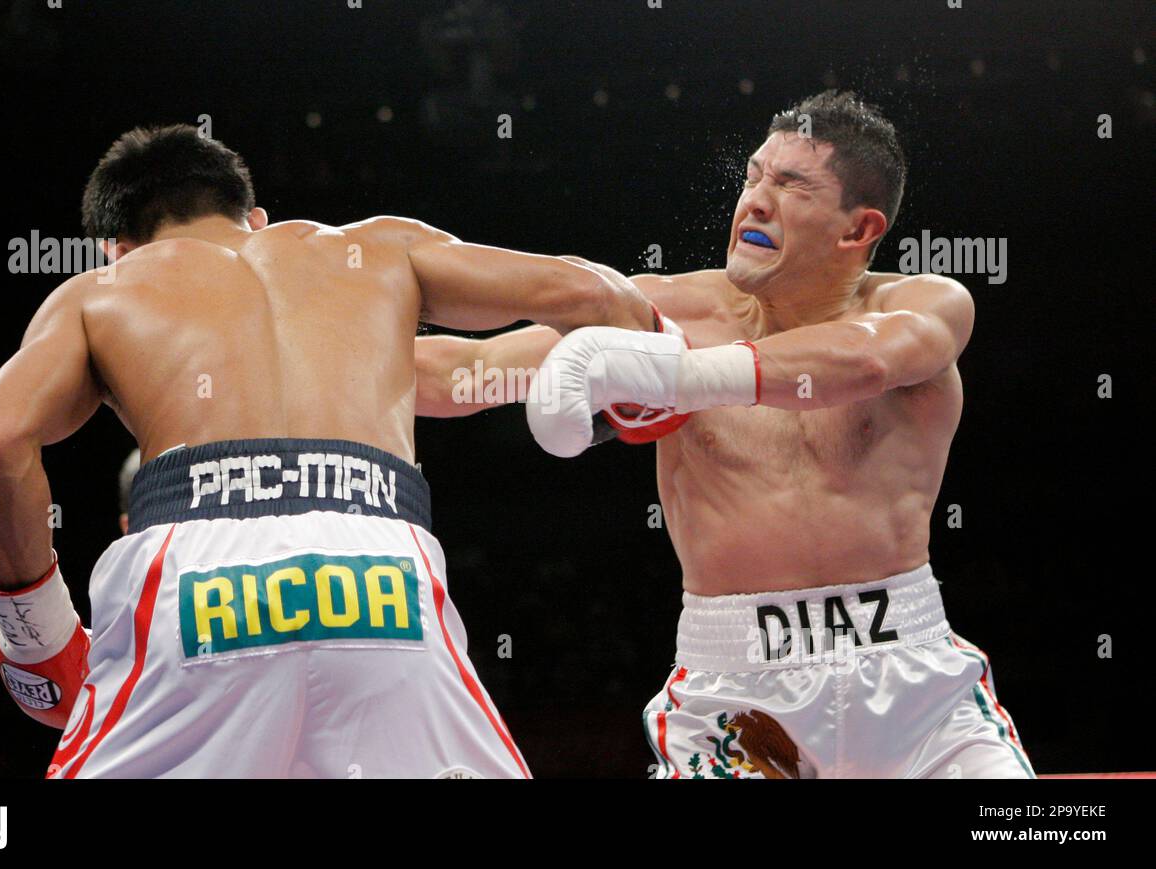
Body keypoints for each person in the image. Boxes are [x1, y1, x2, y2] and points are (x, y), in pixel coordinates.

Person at [0, 123, 659, 778]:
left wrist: (37, 635)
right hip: (383, 575)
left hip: (198, 580)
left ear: (117, 248)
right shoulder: (382, 248)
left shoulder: (102, 291)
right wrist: (637, 394)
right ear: (255, 219)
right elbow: (591, 293)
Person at [415, 91, 1033, 778]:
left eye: (791, 186)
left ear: (858, 230)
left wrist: (677, 377)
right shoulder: (663, 315)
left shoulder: (924, 304)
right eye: (753, 177)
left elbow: (864, 361)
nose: (756, 202)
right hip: (736, 699)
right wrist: (323, 338)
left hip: (914, 689)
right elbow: (463, 373)